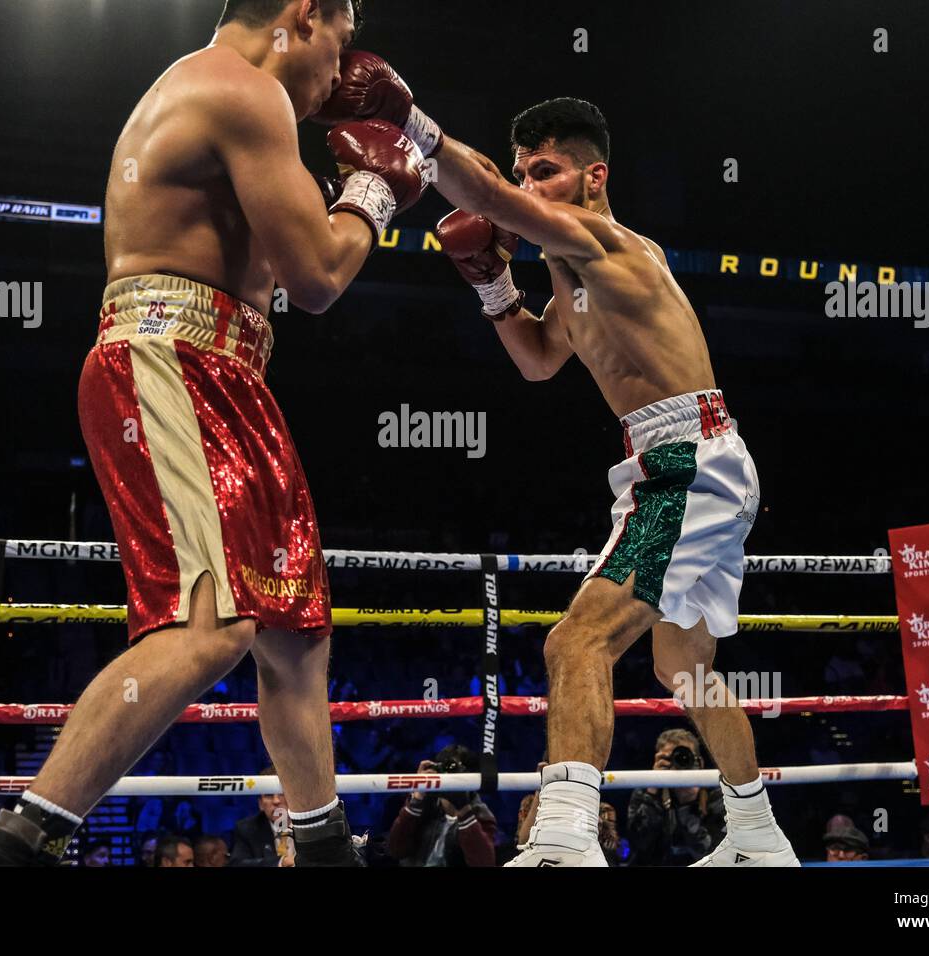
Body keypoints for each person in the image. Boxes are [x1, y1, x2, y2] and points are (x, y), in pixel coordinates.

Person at [0, 0, 429, 868]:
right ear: (304, 11)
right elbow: (320, 276)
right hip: (173, 358)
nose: (346, 58)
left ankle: (328, 855)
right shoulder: (241, 91)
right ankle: (12, 853)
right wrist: (372, 192)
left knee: (294, 634)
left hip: (227, 372)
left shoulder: (232, 95)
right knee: (208, 628)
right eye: (343, 29)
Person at [314, 53, 796, 866]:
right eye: (524, 172)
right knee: (684, 665)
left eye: (547, 171)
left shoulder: (606, 244)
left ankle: (567, 839)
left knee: (575, 644)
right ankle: (759, 837)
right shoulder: (566, 272)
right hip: (688, 458)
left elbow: (491, 198)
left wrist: (411, 124)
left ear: (594, 176)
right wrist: (490, 283)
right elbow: (538, 359)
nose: (529, 186)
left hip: (686, 463)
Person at [625, 729, 724, 866]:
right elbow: (639, 844)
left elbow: (714, 855)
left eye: (685, 756)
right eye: (669, 758)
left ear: (699, 763)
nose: (678, 763)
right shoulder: (646, 791)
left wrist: (687, 805)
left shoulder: (716, 796)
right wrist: (653, 788)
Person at [387, 747, 496, 867]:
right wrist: (417, 796)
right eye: (444, 769)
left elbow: (484, 864)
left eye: (455, 771)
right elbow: (396, 851)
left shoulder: (481, 815)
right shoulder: (423, 805)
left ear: (470, 776)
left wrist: (464, 810)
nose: (448, 776)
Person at [230, 775, 295, 867]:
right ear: (260, 804)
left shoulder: (311, 824)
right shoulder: (247, 829)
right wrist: (280, 863)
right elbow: (237, 864)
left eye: (282, 793)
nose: (276, 801)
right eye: (269, 795)